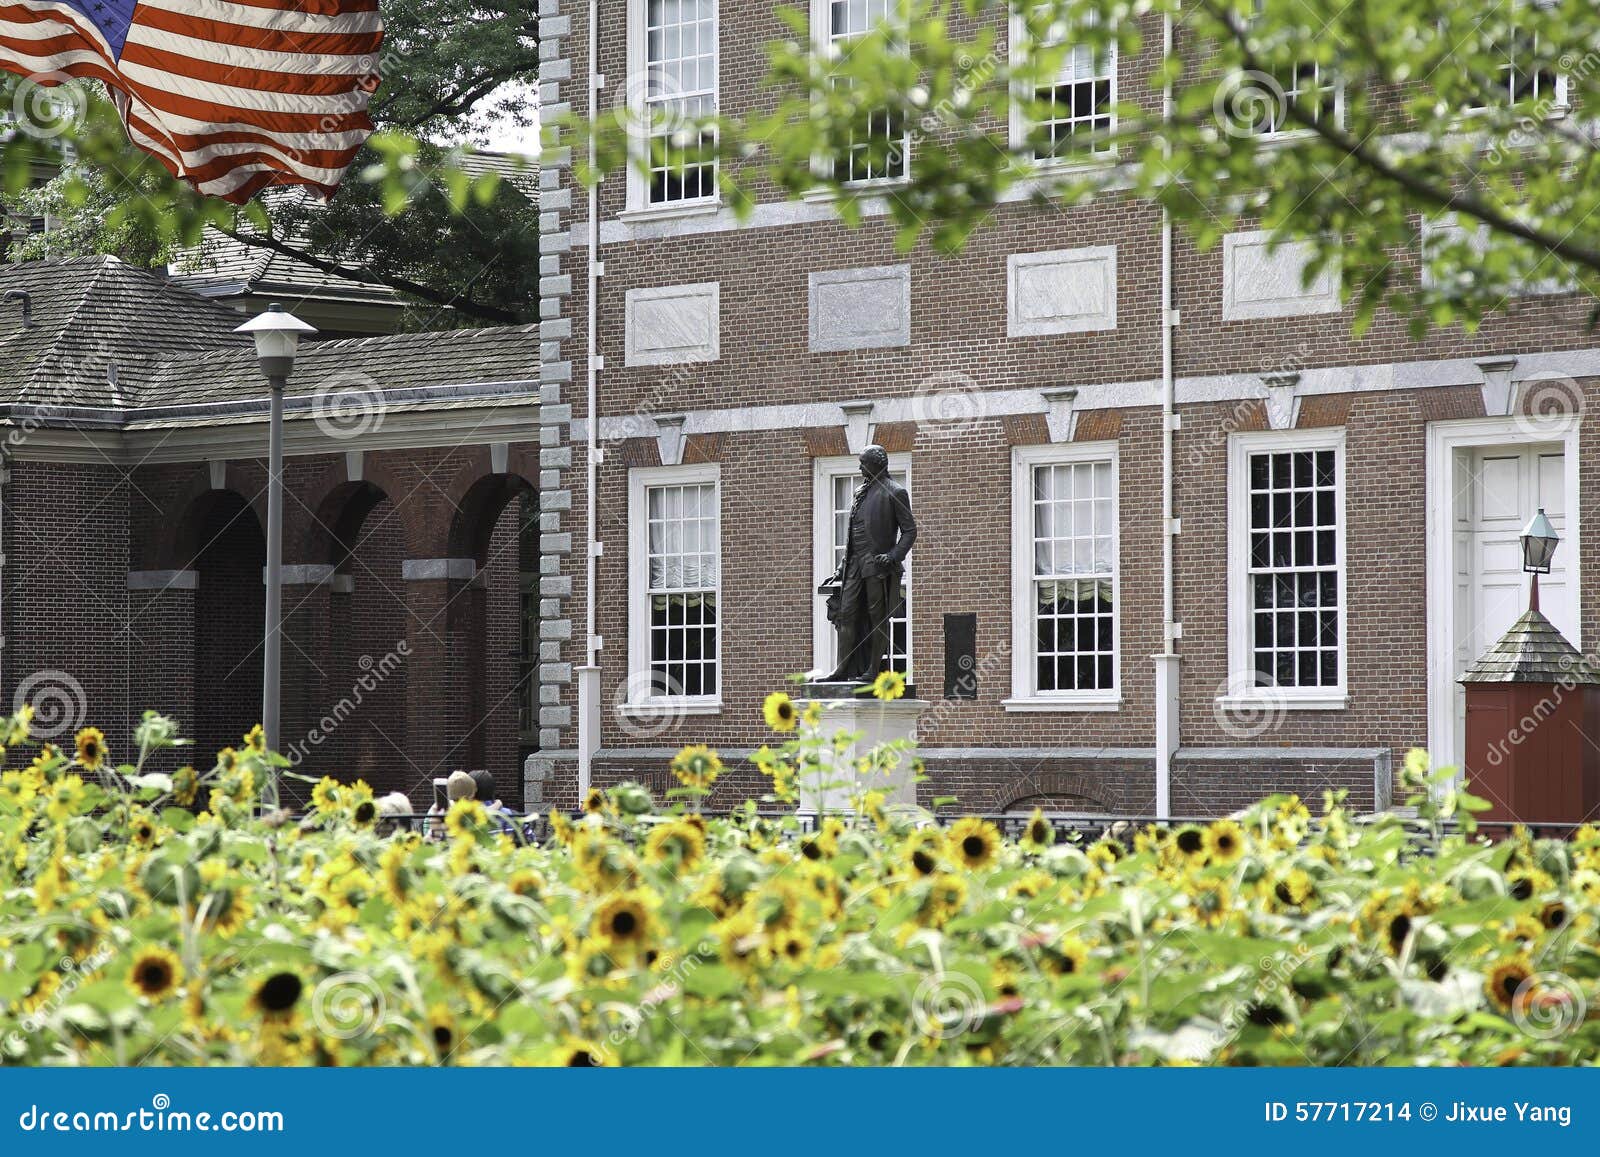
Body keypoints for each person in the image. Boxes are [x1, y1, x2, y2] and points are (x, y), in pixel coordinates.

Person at [820, 444, 918, 683]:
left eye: (864, 463)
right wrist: (842, 567)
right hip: (854, 564)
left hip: (878, 566)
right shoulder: (859, 492)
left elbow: (910, 531)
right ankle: (842, 669)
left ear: (877, 464)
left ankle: (873, 671)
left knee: (878, 618)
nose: (860, 467)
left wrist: (893, 556)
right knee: (846, 614)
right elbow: (853, 534)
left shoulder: (895, 492)